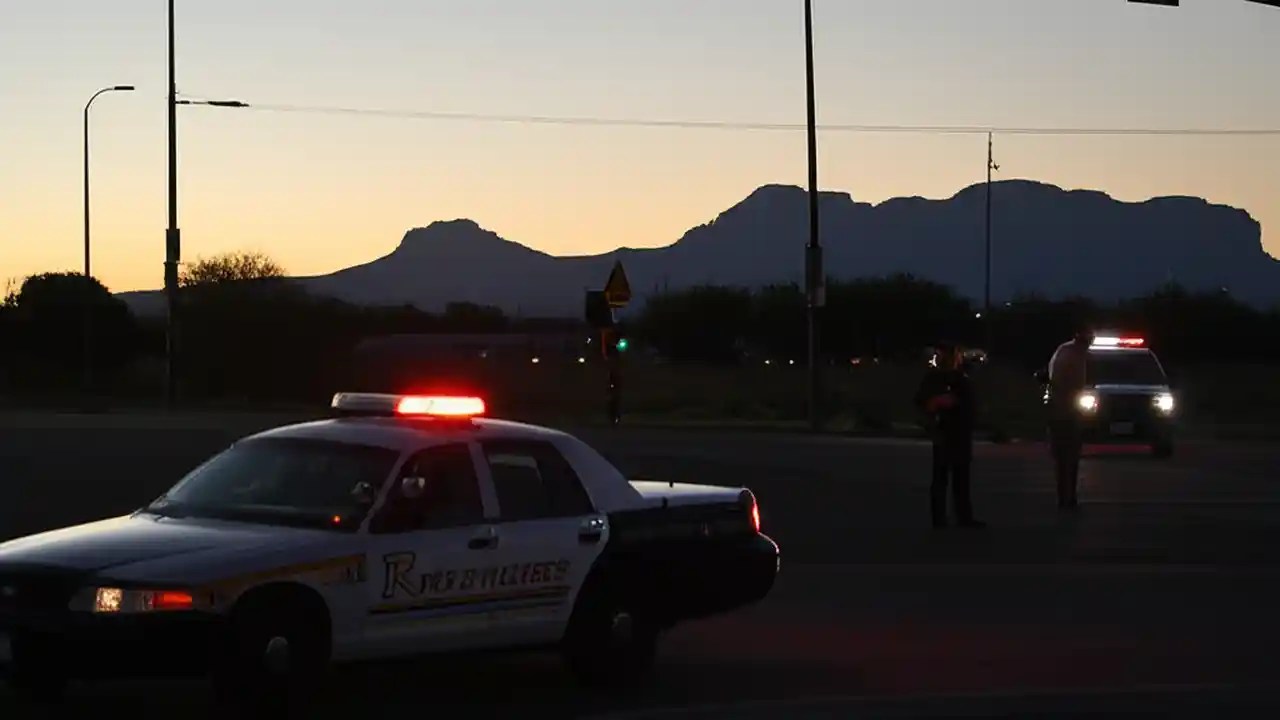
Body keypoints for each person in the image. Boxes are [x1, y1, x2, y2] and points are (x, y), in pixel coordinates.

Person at [916, 341, 984, 529]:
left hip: (960, 431)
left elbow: (969, 404)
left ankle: (962, 516)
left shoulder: (961, 378)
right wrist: (935, 404)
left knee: (959, 477)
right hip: (945, 431)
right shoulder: (936, 378)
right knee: (942, 477)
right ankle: (941, 518)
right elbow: (922, 401)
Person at [1047, 326, 1095, 509]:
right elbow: (1060, 382)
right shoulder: (1068, 353)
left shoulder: (1078, 354)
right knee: (1065, 457)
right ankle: (1065, 497)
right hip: (1063, 412)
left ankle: (1069, 496)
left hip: (1069, 411)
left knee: (1070, 458)